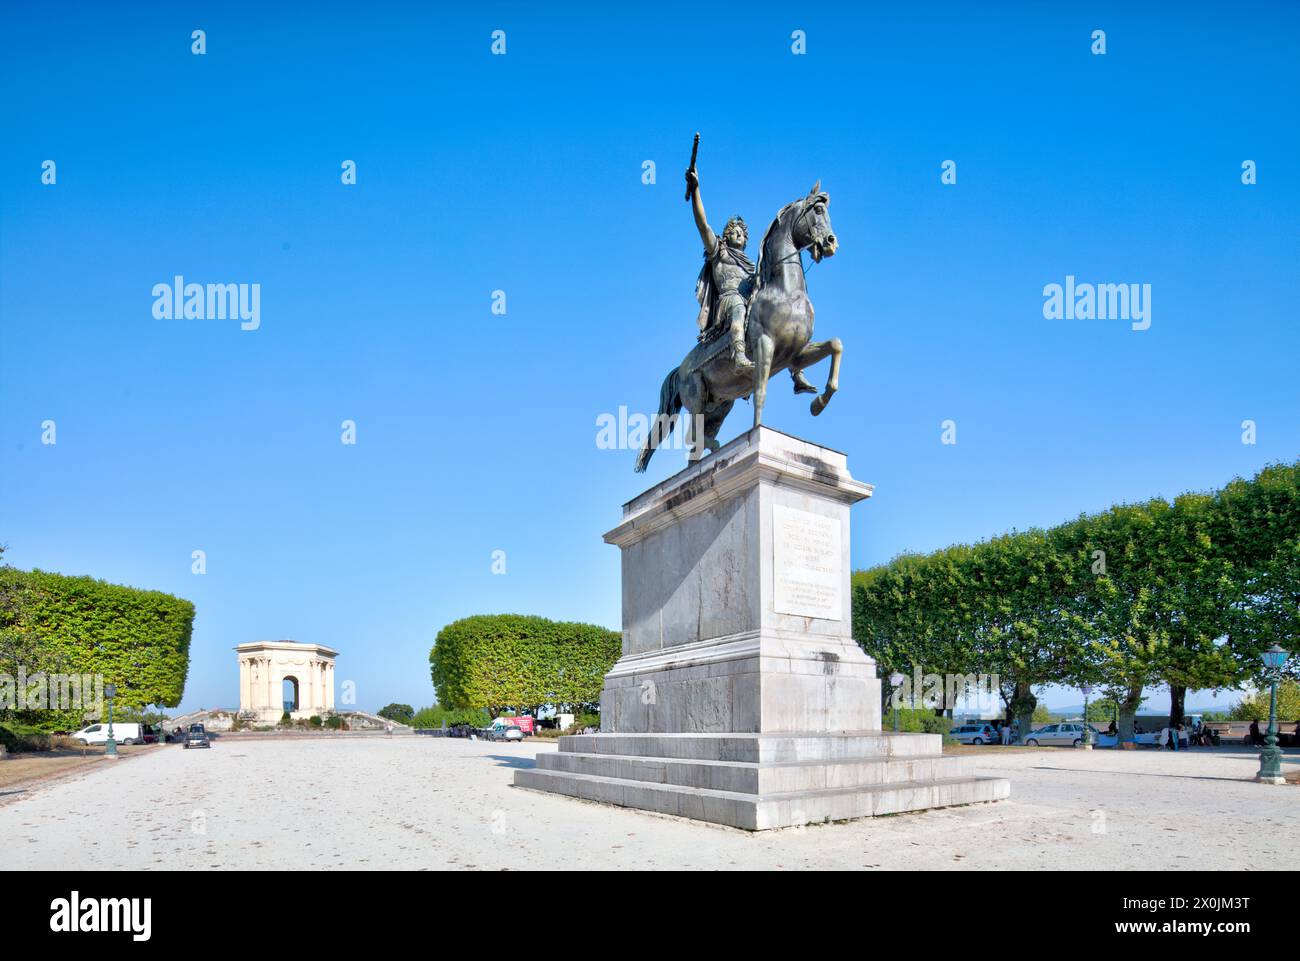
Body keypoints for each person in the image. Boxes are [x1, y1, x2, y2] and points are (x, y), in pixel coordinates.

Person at [685, 166, 818, 393]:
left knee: (781, 313)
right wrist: (696, 190)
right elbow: (702, 224)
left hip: (750, 299)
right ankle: (738, 354)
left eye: (742, 233)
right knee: (738, 307)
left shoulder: (749, 263)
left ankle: (797, 371)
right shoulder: (719, 252)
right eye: (734, 231)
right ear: (727, 234)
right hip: (730, 301)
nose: (739, 234)